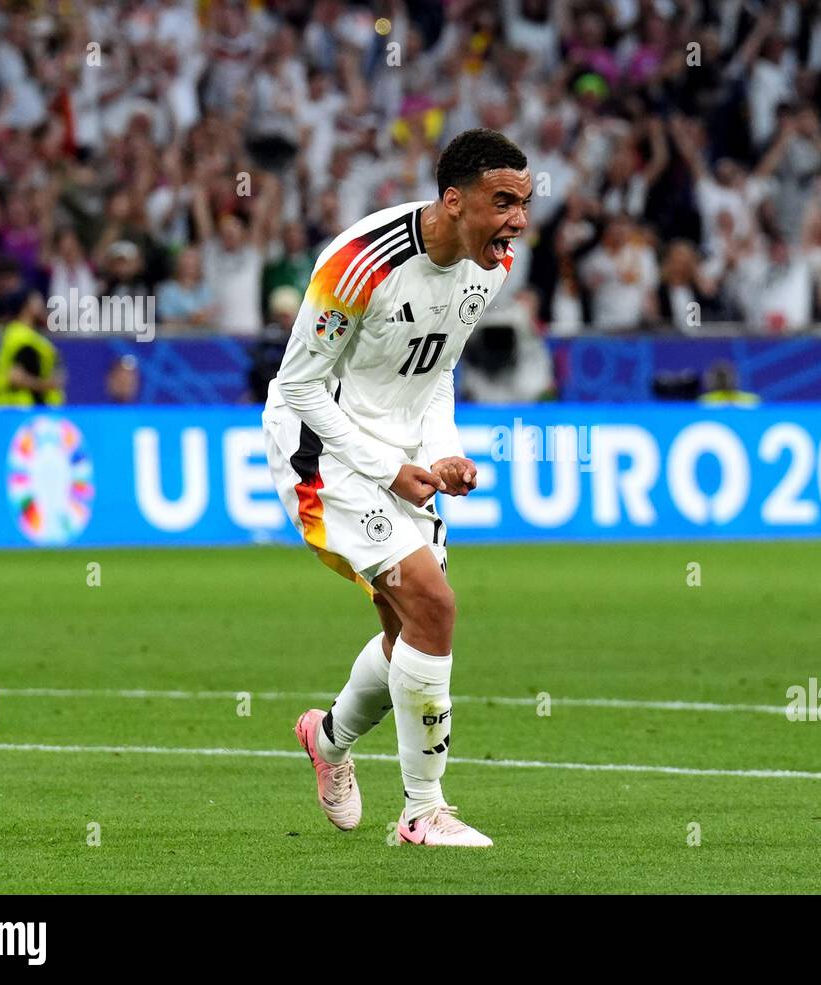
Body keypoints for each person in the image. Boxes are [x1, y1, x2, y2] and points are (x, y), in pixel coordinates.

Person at [262, 128, 529, 847]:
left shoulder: (489, 265)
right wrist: (386, 468)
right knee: (434, 606)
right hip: (321, 450)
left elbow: (435, 371)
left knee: (408, 628)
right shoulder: (358, 263)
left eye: (525, 203)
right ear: (452, 199)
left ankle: (328, 739)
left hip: (397, 451)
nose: (518, 221)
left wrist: (444, 453)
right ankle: (421, 811)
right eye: (503, 202)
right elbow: (300, 386)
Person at [0, 289, 65, 406]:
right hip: (20, 410)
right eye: (36, 300)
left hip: (23, 410)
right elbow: (15, 376)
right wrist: (47, 385)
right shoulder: (21, 337)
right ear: (27, 306)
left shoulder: (23, 334)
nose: (42, 304)